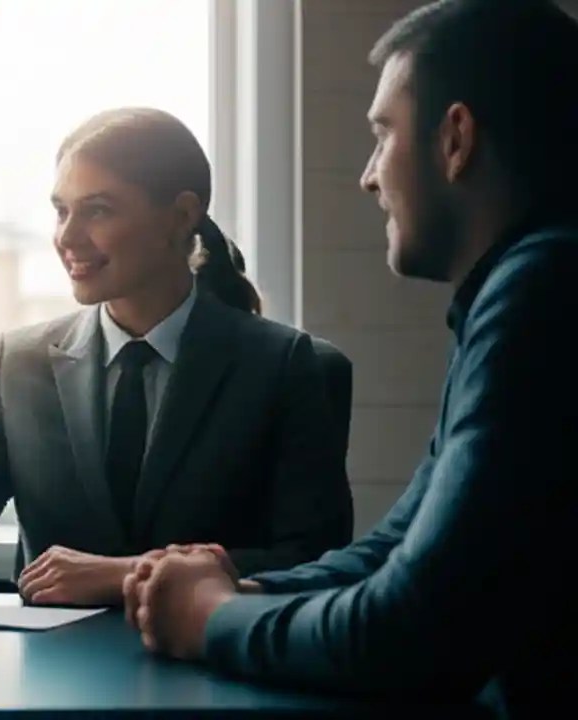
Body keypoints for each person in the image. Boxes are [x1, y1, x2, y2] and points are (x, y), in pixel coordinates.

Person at [121, 0, 578, 715]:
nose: (368, 176)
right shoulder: (520, 291)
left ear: (455, 139)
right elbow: (397, 546)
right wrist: (246, 590)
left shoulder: (540, 298)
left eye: (383, 134)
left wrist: (207, 617)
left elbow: (410, 628)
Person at [0, 107, 354, 605]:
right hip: (50, 689)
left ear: (181, 215)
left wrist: (126, 574)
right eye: (61, 210)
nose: (68, 237)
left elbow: (316, 563)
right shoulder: (17, 364)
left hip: (219, 679)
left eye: (97, 211)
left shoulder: (287, 366)